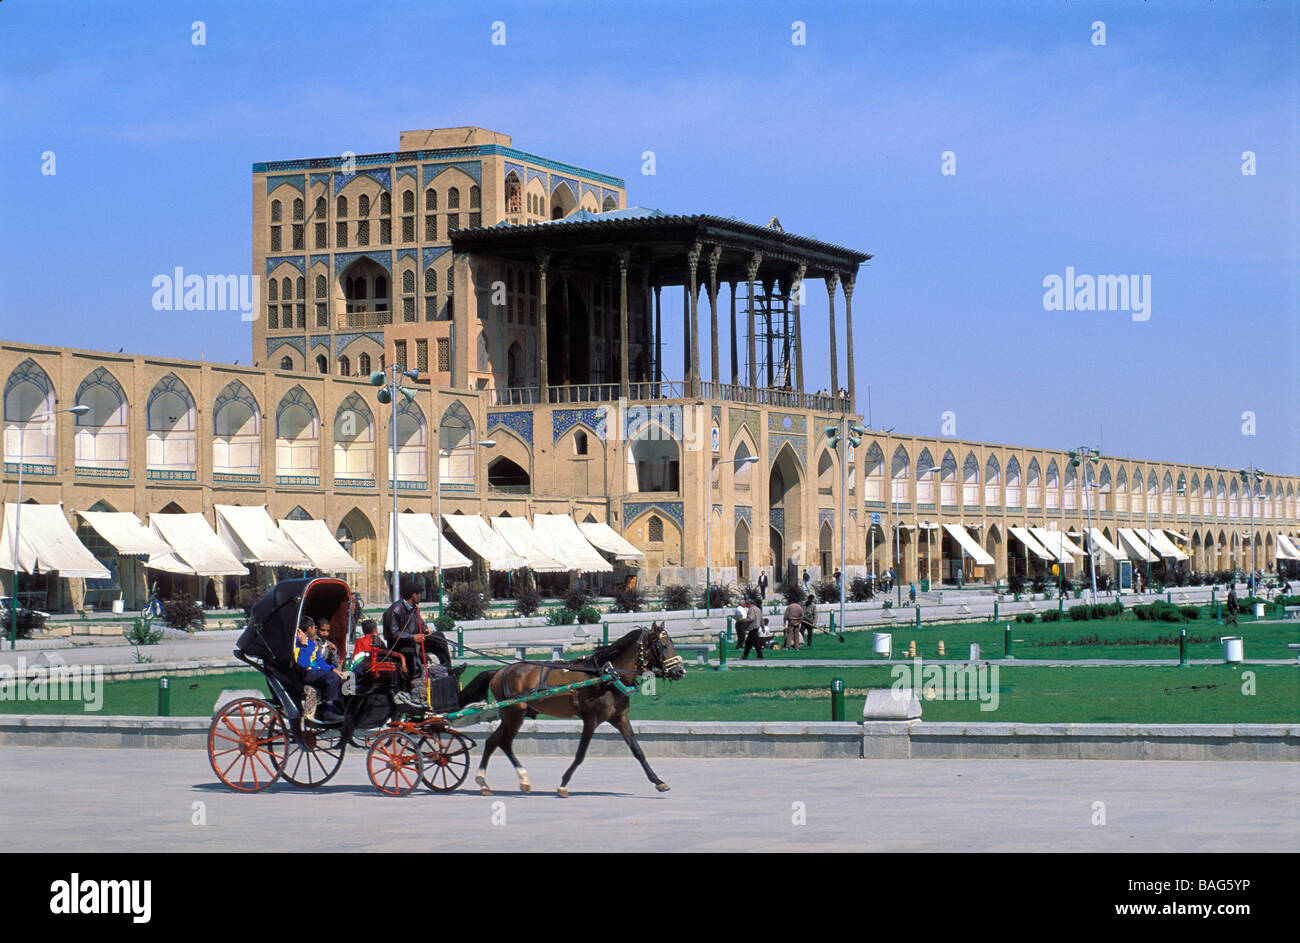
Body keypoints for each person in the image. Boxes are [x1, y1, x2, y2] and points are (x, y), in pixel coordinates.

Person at [294, 620, 347, 723]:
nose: (316, 631)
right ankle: (329, 710)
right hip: (305, 673)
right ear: (310, 628)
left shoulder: (313, 644)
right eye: (315, 628)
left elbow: (320, 662)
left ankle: (344, 709)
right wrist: (304, 645)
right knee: (332, 677)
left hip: (317, 672)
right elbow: (304, 664)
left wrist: (334, 669)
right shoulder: (299, 642)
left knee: (346, 678)